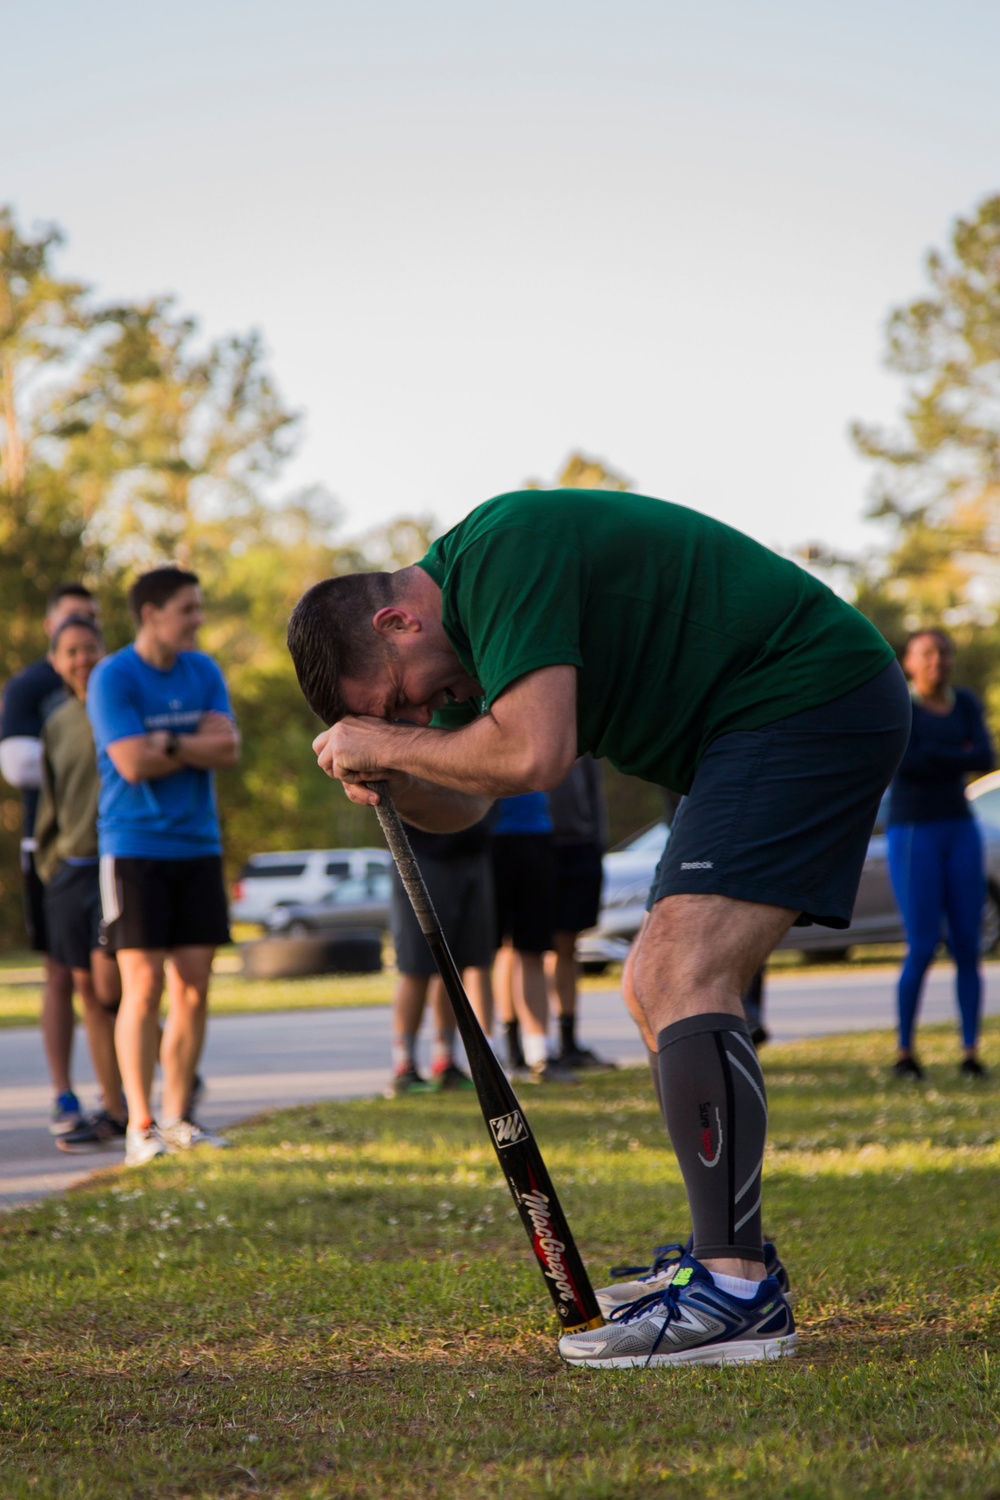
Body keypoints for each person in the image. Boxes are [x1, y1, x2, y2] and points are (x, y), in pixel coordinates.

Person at [288, 486, 910, 1367]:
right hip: (749, 727)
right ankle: (725, 1269)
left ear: (397, 622)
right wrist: (396, 772)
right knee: (653, 986)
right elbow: (467, 803)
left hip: (803, 697)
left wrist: (389, 745)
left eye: (401, 701)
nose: (421, 716)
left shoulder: (502, 554)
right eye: (402, 718)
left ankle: (738, 1294)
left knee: (679, 975)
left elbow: (531, 757)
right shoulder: (463, 638)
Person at [87, 566, 240, 1167]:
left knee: (194, 988)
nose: (197, 619)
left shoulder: (204, 671)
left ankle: (178, 1118)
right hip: (134, 847)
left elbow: (229, 748)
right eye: (187, 609)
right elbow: (129, 762)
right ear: (151, 614)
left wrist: (164, 745)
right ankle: (140, 1124)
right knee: (143, 987)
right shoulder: (113, 676)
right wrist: (185, 743)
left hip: (198, 845)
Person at [0, 583, 99, 1135]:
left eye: (91, 623)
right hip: (54, 850)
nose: (81, 639)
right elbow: (16, 764)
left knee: (118, 978)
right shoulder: (30, 686)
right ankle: (64, 1095)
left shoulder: (111, 680)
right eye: (71, 621)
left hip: (111, 850)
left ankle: (130, 1092)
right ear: (50, 629)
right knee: (62, 974)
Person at [33, 615, 127, 1151]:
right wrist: (52, 865)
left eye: (90, 647)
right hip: (70, 869)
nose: (82, 659)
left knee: (116, 985)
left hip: (119, 859)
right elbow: (47, 799)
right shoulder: (58, 721)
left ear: (104, 650)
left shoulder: (119, 703)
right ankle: (114, 1108)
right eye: (70, 652)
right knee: (89, 992)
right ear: (55, 662)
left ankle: (155, 1091)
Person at [887, 628, 994, 1081]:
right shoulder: (900, 706)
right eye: (928, 654)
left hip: (960, 828)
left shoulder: (965, 702)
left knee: (968, 943)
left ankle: (970, 1052)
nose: (938, 661)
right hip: (914, 832)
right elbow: (904, 761)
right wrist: (956, 753)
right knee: (923, 944)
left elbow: (986, 754)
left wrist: (936, 753)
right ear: (909, 662)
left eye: (944, 653)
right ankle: (905, 1053)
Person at [389, 814, 496, 1095]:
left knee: (455, 966)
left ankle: (445, 1061)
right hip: (419, 855)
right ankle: (404, 1067)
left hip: (471, 852)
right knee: (416, 967)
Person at [491, 792, 574, 1082]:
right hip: (489, 838)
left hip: (536, 836)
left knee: (533, 949)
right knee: (495, 952)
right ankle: (501, 1052)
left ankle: (539, 1052)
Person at [546, 754, 614, 1070]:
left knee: (567, 945)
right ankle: (524, 1046)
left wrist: (597, 842)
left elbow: (593, 793)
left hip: (579, 846)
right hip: (535, 842)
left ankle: (568, 1039)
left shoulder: (578, 732)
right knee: (520, 948)